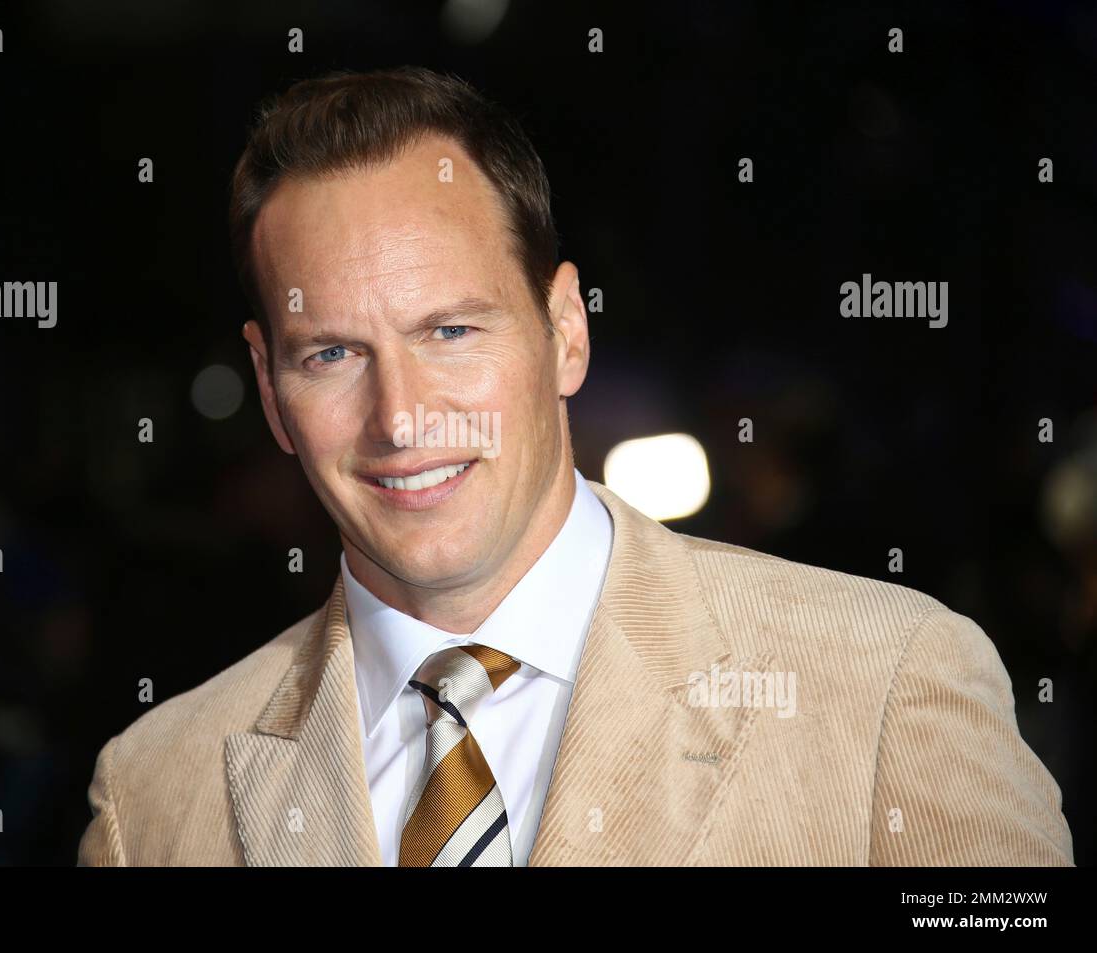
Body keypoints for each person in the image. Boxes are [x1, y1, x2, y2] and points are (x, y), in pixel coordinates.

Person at [77, 66, 1073, 866]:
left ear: (563, 330)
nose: (401, 414)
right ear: (268, 382)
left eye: (451, 329)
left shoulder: (885, 683)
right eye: (331, 353)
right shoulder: (156, 792)